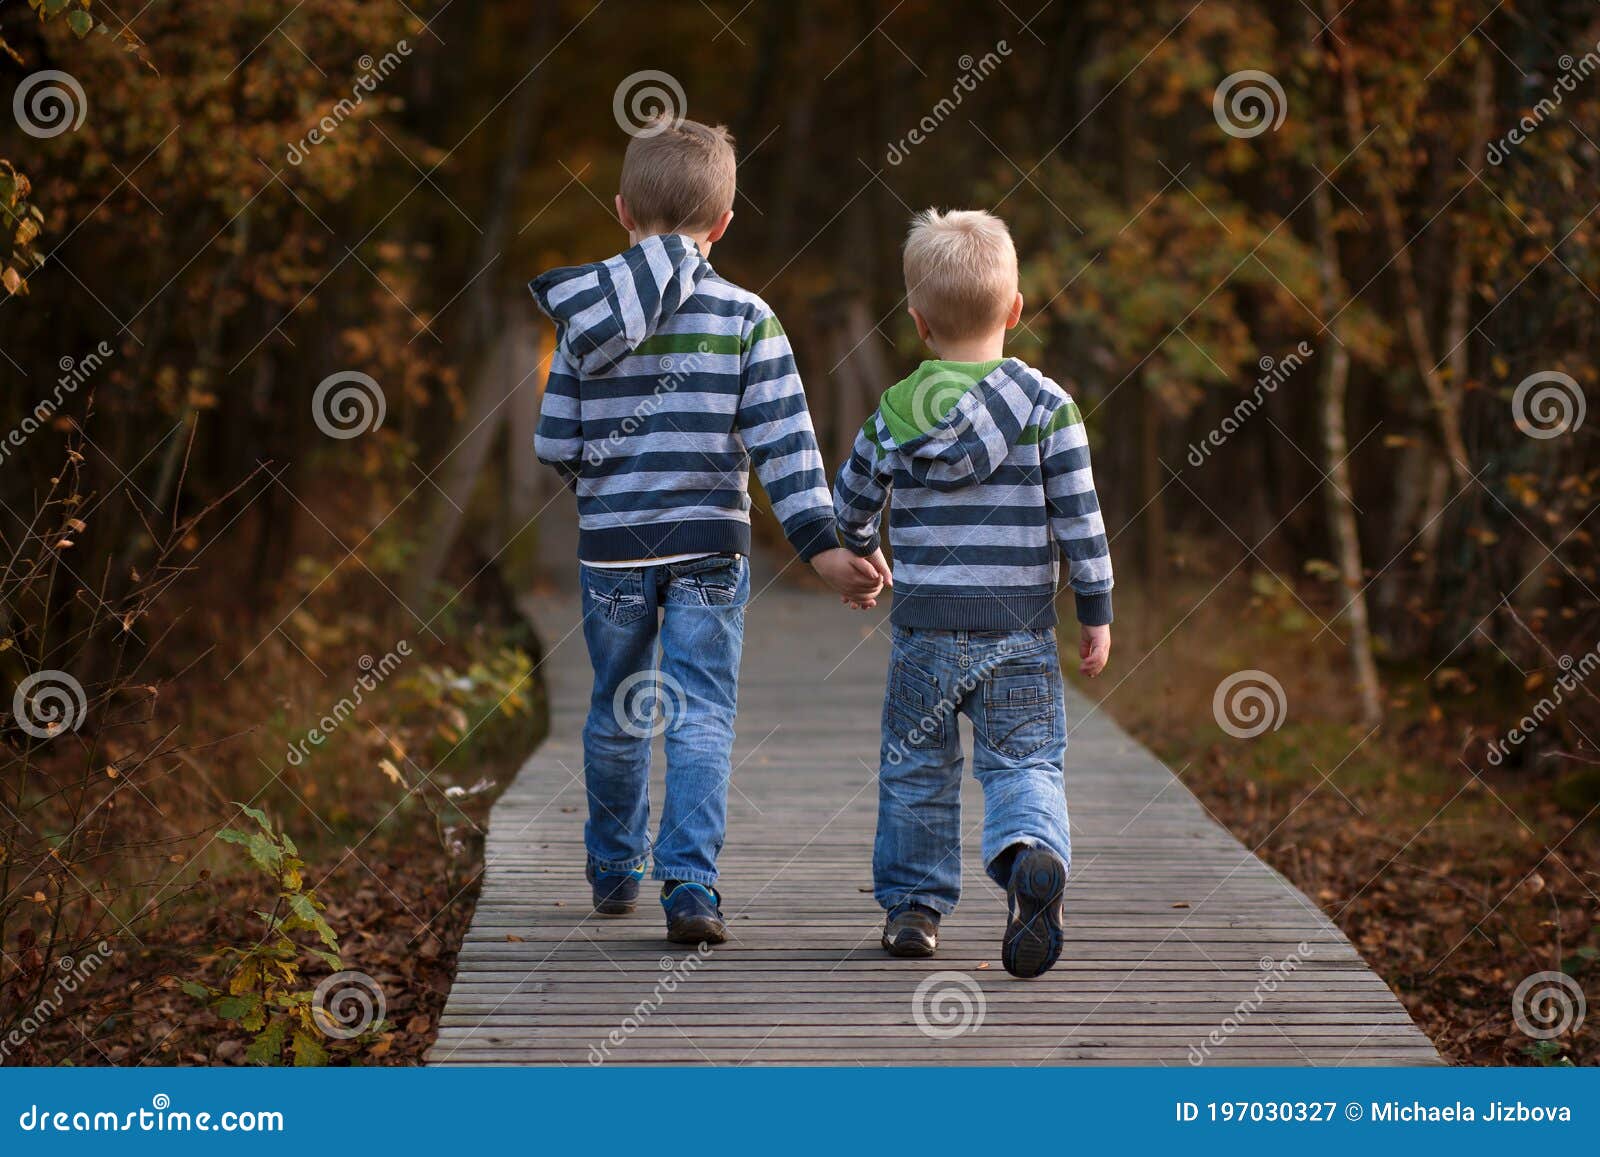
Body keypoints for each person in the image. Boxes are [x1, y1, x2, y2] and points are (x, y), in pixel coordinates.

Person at [532, 115, 889, 945]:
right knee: (701, 711)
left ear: (623, 210)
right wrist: (827, 548)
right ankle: (690, 885)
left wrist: (606, 490)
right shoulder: (747, 317)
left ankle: (613, 868)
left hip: (611, 551)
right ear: (723, 223)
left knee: (617, 705)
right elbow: (785, 448)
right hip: (709, 553)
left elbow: (554, 443)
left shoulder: (582, 319)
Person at [832, 208, 1113, 978]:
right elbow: (1081, 521)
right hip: (1020, 630)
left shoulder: (896, 411)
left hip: (925, 630)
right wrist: (1095, 610)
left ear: (919, 322)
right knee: (1025, 762)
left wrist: (862, 552)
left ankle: (914, 908)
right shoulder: (1049, 408)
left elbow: (850, 503)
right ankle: (1030, 854)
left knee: (916, 769)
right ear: (1014, 310)